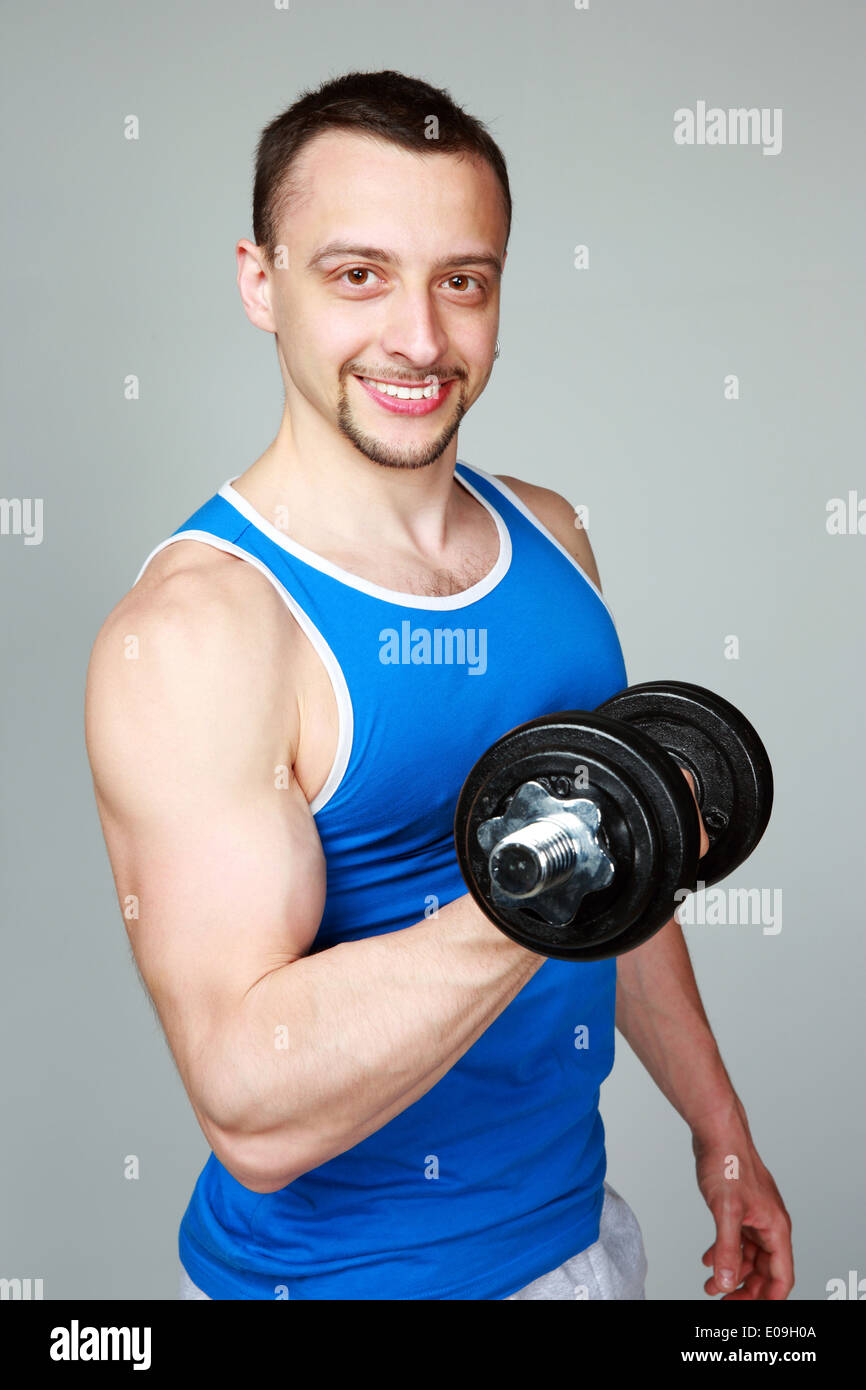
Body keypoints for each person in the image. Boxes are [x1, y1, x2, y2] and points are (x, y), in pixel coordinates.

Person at [84, 69, 793, 1301]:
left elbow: (627, 885)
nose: (418, 337)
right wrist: (560, 871)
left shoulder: (550, 538)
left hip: (579, 1237)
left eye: (460, 280)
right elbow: (251, 1110)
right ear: (261, 281)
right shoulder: (205, 632)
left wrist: (718, 1130)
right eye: (357, 274)